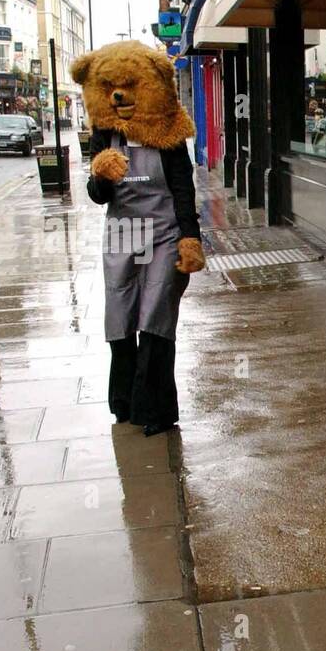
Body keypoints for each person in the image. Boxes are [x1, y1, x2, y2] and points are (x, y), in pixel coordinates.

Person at [72, 41, 206, 437]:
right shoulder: (104, 133)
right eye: (112, 87)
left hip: (164, 232)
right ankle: (125, 403)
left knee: (156, 316)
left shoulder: (168, 134)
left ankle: (157, 410)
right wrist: (100, 176)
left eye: (129, 86)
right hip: (122, 232)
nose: (119, 96)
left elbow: (183, 188)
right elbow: (98, 197)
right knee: (121, 316)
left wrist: (190, 238)